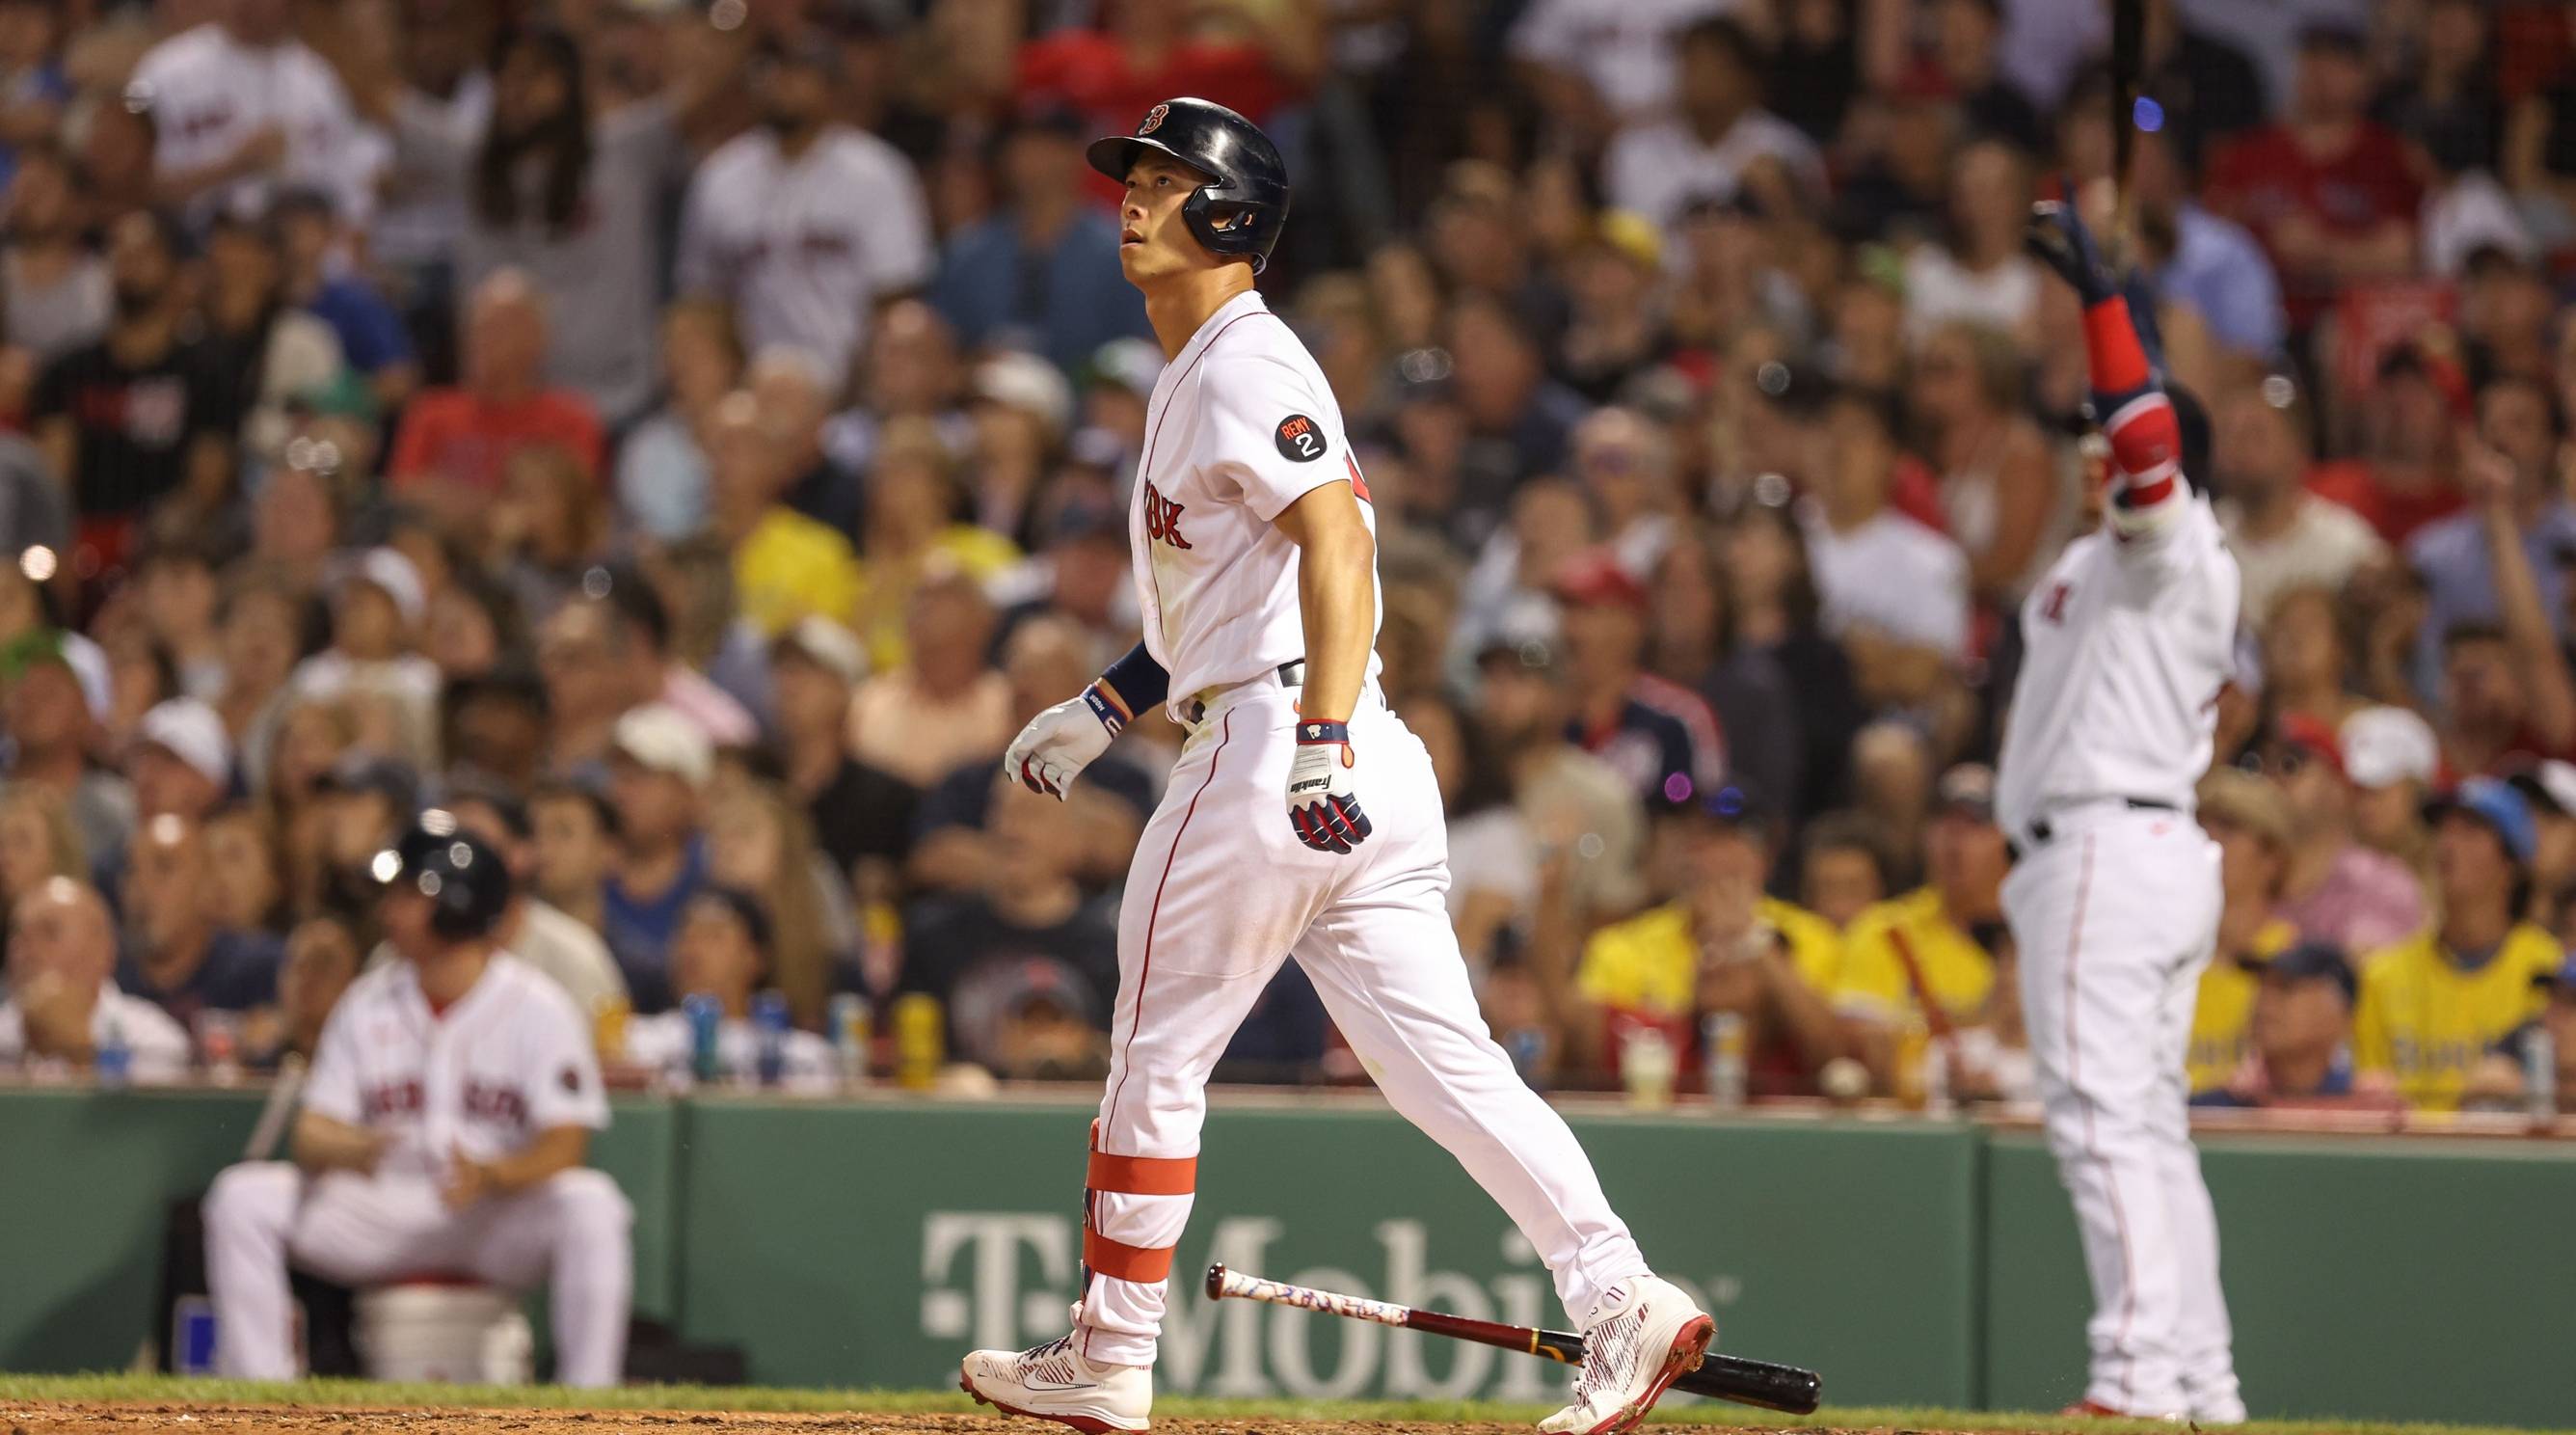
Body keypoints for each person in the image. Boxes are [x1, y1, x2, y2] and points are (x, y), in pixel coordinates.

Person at [958, 99, 1714, 1435]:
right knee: (1451, 1073)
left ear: (1234, 216)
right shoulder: (1205, 365)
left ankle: (1111, 1354)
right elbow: (1227, 603)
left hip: (1281, 748)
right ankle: (1622, 1297)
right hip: (1349, 750)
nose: (1135, 196)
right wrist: (1111, 699)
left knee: (1153, 1053)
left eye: (1170, 179)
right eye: (1133, 175)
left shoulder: (1244, 360)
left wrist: (1308, 743)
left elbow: (1340, 549)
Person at [1998, 196, 2241, 1421]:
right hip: (2123, 849)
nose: (2098, 447)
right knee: (2144, 1132)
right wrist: (2116, 306)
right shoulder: (2103, 557)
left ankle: (2137, 1382)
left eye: (2109, 429)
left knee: (2103, 1126)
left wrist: (2105, 304)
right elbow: (2124, 429)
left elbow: (2146, 440)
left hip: (2105, 844)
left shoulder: (2172, 541)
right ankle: (2198, 1381)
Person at [201, 813, 631, 1386]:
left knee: (592, 1205)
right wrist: (354, 1145)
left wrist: (497, 1174)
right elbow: (311, 1134)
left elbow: (566, 1144)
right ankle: (263, 1398)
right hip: (387, 1204)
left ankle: (589, 1405)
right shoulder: (367, 1001)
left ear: (453, 904)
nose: (388, 911)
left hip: (492, 1215)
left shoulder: (539, 1007)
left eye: (406, 895)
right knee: (241, 1198)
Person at [675, 35, 931, 393]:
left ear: (831, 86)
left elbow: (893, 299)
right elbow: (706, 302)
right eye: (772, 71)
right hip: (755, 394)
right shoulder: (720, 177)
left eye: (798, 72)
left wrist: (859, 393)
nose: (782, 83)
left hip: (854, 390)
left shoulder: (876, 172)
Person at [1574, 784, 1845, 1093]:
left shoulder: (1812, 937)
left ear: (1764, 857)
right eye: (1695, 839)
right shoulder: (1622, 944)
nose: (1704, 855)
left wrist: (1753, 941)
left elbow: (1835, 1054)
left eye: (1724, 840)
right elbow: (1587, 1037)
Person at [2354, 777, 2562, 1111]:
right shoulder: (2383, 974)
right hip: (2406, 1157)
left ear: (2511, 863)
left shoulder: (2548, 970)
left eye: (2470, 832)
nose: (2448, 845)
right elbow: (2365, 1092)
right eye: (2444, 830)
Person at [1834, 765, 2013, 1088]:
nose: (1953, 839)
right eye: (1943, 821)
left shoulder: (2037, 931)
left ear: (2007, 838)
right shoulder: (1885, 929)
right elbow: (1858, 1038)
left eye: (1974, 824)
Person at [620, 887, 833, 1091]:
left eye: (714, 936)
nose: (694, 949)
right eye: (686, 935)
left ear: (754, 957)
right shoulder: (638, 1044)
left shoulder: (801, 1058)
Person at [2, 876, 191, 1080]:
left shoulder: (154, 1040)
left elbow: (150, 1112)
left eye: (49, 932)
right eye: (18, 934)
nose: (25, 950)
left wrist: (82, 1053)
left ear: (103, 952)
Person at [117, 812, 282, 1028]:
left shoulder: (265, 973)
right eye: (132, 870)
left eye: (164, 867)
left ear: (207, 884)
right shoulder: (107, 980)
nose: (142, 887)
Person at [2193, 941, 2386, 1109]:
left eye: (2285, 988)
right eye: (2262, 987)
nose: (2264, 1003)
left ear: (2341, 1014)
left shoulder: (2375, 1116)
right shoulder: (2212, 1113)